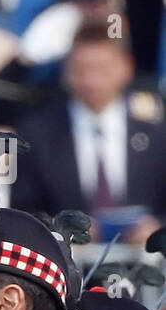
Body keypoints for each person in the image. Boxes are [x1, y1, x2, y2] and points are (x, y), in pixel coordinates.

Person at [12, 24, 166, 243]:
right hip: (69, 266)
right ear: (66, 71)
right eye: (81, 69)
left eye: (102, 69)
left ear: (126, 68)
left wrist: (156, 227)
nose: (91, 80)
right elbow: (24, 212)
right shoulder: (36, 135)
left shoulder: (157, 135)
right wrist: (63, 228)